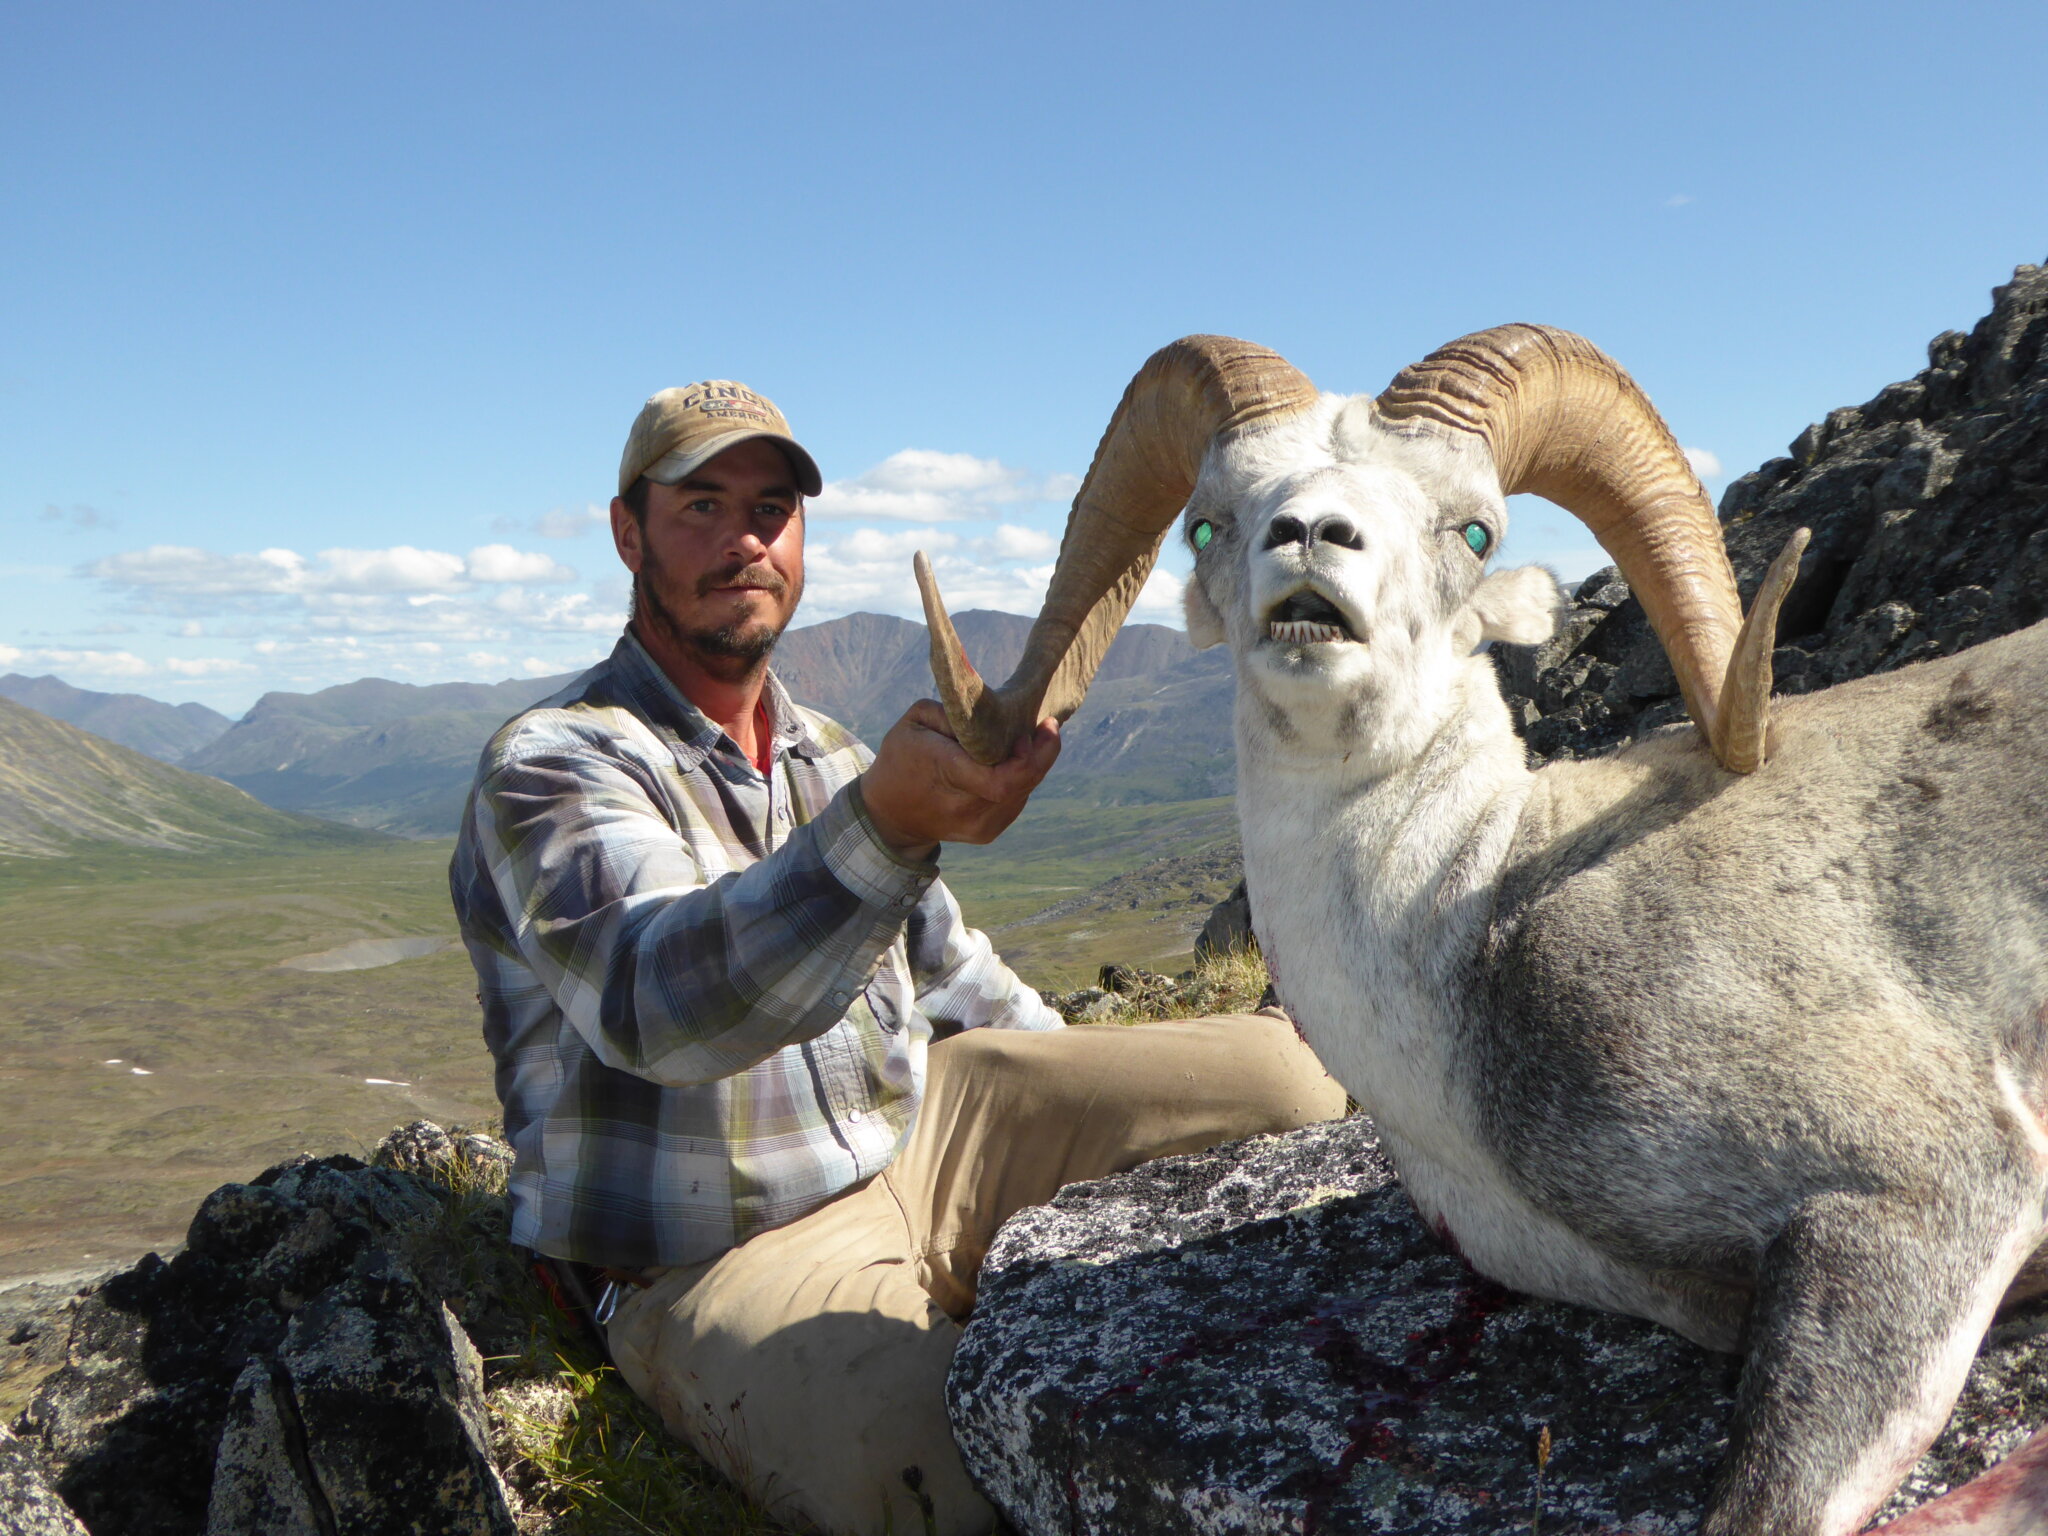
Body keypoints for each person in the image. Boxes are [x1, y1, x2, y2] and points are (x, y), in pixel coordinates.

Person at [449, 380, 1346, 1536]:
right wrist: (885, 824)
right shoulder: (558, 763)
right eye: (702, 507)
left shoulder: (829, 754)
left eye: (771, 509)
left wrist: (1083, 1104)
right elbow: (652, 1004)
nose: (745, 541)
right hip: (714, 1251)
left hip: (925, 1136)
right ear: (627, 532)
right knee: (946, 1476)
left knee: (1291, 1084)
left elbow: (951, 975)